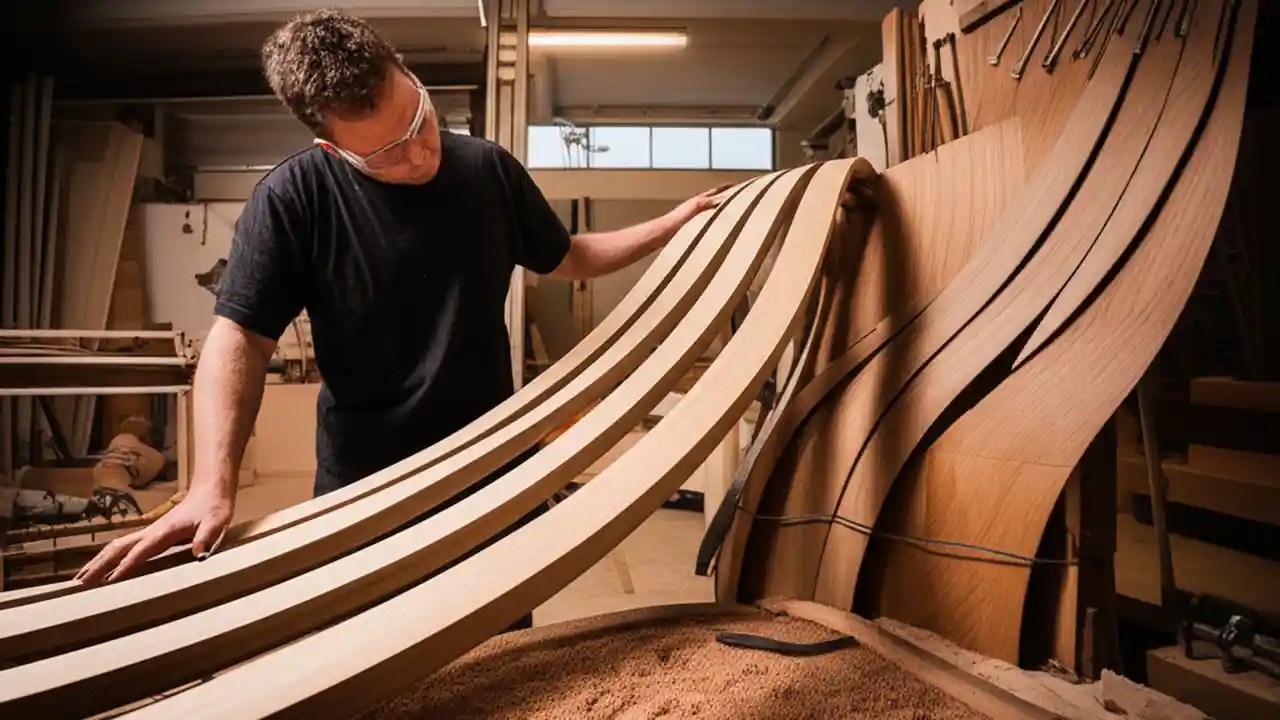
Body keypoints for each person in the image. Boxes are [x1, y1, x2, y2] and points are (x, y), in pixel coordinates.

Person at [75, 8, 725, 603]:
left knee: (498, 652)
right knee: (367, 647)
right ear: (332, 146)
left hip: (488, 468)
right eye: (387, 151)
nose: (420, 153)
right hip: (366, 481)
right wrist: (211, 485)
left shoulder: (488, 171)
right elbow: (240, 336)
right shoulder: (294, 200)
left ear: (409, 76)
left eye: (420, 118)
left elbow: (570, 256)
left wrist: (673, 223)